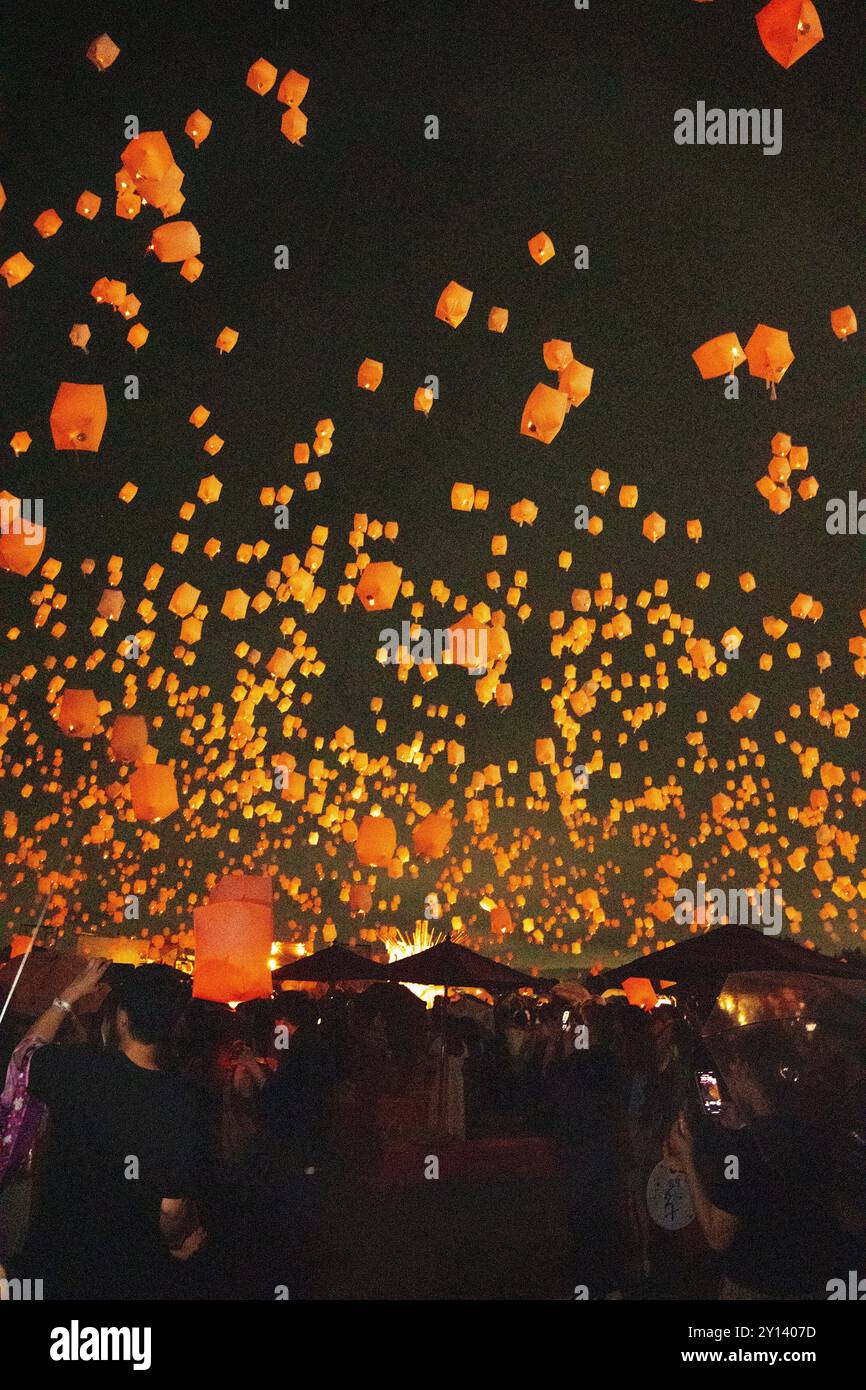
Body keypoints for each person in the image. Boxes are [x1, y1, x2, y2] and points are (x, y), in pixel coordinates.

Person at [14, 960, 211, 1299]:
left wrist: (70, 994)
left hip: (55, 1259)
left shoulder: (75, 1068)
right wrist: (177, 1240)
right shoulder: (183, 1100)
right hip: (126, 1271)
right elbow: (171, 1208)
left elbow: (24, 1056)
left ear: (122, 1018)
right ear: (172, 1026)